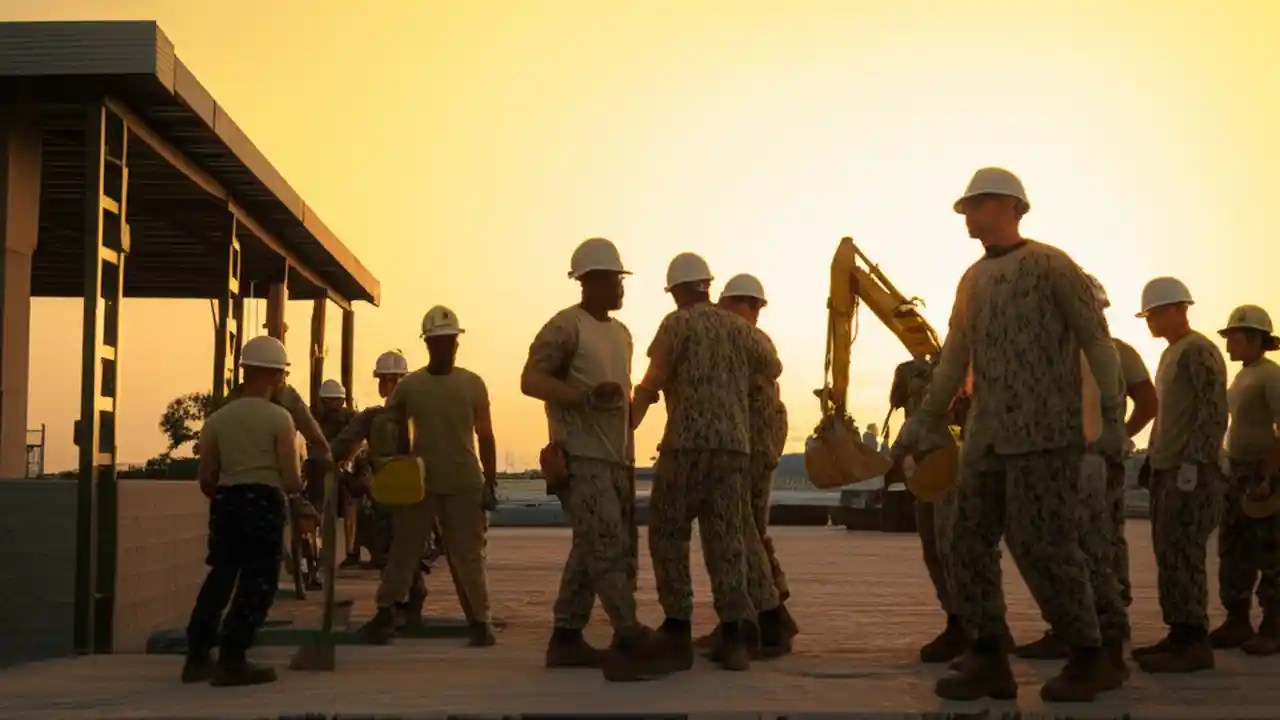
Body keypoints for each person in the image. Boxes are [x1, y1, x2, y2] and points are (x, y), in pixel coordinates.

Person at [893, 167, 1127, 702]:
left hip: (1046, 435)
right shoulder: (972, 280)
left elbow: (1097, 343)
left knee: (1044, 543)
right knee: (965, 539)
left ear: (1010, 207)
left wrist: (1110, 422)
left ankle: (1091, 655)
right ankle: (988, 653)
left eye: (977, 205)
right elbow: (954, 358)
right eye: (967, 207)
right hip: (986, 437)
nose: (969, 216)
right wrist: (925, 419)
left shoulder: (1052, 265)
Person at [521, 237, 668, 681]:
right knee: (605, 548)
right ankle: (627, 634)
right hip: (580, 459)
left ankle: (565, 638)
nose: (621, 289)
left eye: (621, 280)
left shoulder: (620, 334)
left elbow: (620, 408)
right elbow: (531, 380)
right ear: (589, 282)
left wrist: (634, 421)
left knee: (594, 548)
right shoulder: (567, 327)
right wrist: (583, 396)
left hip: (615, 461)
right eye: (613, 280)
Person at [632, 252, 783, 672]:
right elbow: (773, 365)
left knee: (668, 532)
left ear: (676, 291)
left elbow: (653, 379)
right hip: (735, 449)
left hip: (686, 446)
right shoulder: (740, 328)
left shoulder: (676, 324)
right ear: (708, 286)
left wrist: (627, 422)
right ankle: (735, 633)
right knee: (727, 539)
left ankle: (677, 625)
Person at [361, 306, 498, 647]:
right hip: (419, 483)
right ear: (428, 344)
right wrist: (382, 460)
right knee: (404, 552)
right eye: (439, 342)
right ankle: (385, 613)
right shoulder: (411, 387)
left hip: (465, 484)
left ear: (457, 343)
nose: (446, 347)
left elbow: (486, 436)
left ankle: (481, 622)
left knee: (467, 555)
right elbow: (386, 426)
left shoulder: (473, 384)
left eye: (450, 341)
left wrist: (490, 483)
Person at [182, 336, 302, 687]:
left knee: (220, 577)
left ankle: (197, 656)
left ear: (245, 371)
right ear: (278, 376)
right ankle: (233, 659)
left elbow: (207, 477)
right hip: (263, 501)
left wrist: (227, 495)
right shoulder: (281, 419)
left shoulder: (217, 420)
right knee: (258, 582)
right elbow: (291, 480)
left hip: (226, 502)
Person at [1129, 277, 1228, 673]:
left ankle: (1193, 643)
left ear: (1177, 309)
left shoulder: (1199, 350)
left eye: (1153, 313)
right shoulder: (1171, 354)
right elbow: (1169, 415)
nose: (1149, 321)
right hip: (1169, 471)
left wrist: (1195, 462)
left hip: (1192, 474)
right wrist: (1154, 459)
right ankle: (1180, 632)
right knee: (1169, 555)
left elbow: (1212, 411)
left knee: (1184, 555)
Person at [708, 272, 798, 656]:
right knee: (751, 531)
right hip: (758, 445)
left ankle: (766, 619)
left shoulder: (741, 339)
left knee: (740, 531)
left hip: (748, 447)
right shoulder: (754, 339)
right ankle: (769, 614)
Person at [1209, 305, 1280, 656]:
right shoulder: (1242, 376)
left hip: (1261, 472)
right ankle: (1237, 620)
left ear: (1255, 338)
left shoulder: (1271, 376)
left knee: (1270, 550)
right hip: (1237, 472)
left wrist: (1270, 477)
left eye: (1234, 337)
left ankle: (1274, 624)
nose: (1228, 344)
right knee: (1234, 547)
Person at [330, 351, 419, 616]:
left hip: (389, 494)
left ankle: (393, 609)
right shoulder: (419, 414)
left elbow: (341, 447)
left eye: (383, 379)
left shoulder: (375, 417)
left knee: (388, 550)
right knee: (404, 551)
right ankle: (408, 603)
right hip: (414, 493)